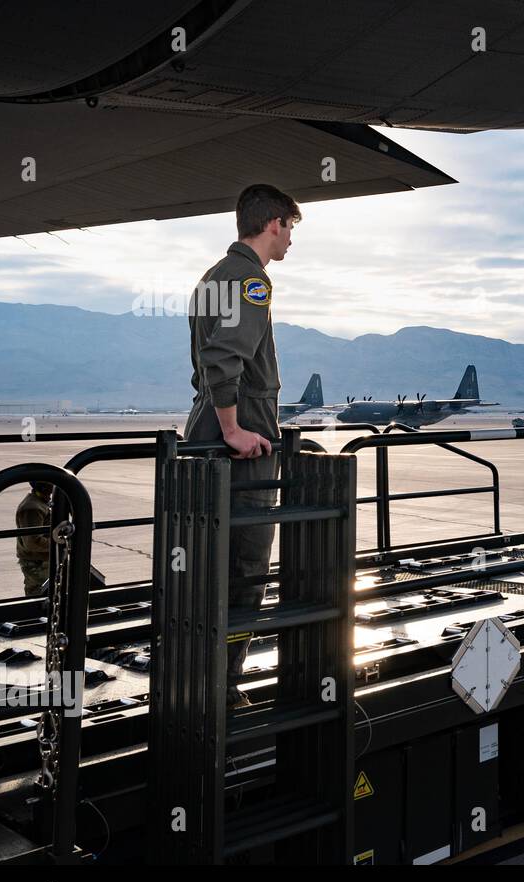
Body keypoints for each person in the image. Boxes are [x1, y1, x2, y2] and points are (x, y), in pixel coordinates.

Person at [185, 183, 300, 708]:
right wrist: (234, 430)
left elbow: (209, 361)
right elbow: (225, 359)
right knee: (246, 572)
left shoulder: (211, 277)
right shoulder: (253, 282)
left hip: (203, 435)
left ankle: (196, 673)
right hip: (241, 446)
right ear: (272, 222)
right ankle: (225, 685)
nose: (290, 242)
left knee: (202, 564)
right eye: (290, 229)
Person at [15, 482, 53, 597]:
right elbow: (32, 542)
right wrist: (59, 543)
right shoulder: (32, 508)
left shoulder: (43, 502)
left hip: (44, 561)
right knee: (39, 597)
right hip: (37, 564)